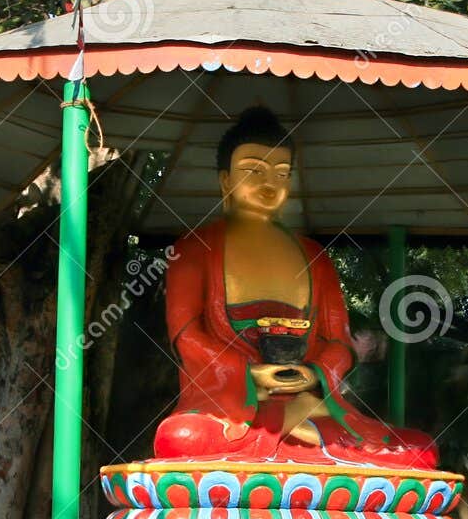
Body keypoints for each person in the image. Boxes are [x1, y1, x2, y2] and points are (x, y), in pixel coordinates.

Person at [153, 106, 439, 471]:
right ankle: (302, 451)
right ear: (225, 180)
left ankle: (297, 445)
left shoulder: (314, 256)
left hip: (309, 402)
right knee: (181, 438)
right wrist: (251, 374)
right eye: (253, 171)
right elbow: (187, 337)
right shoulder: (194, 248)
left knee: (418, 450)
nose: (269, 183)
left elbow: (339, 342)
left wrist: (314, 374)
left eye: (281, 172)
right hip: (232, 409)